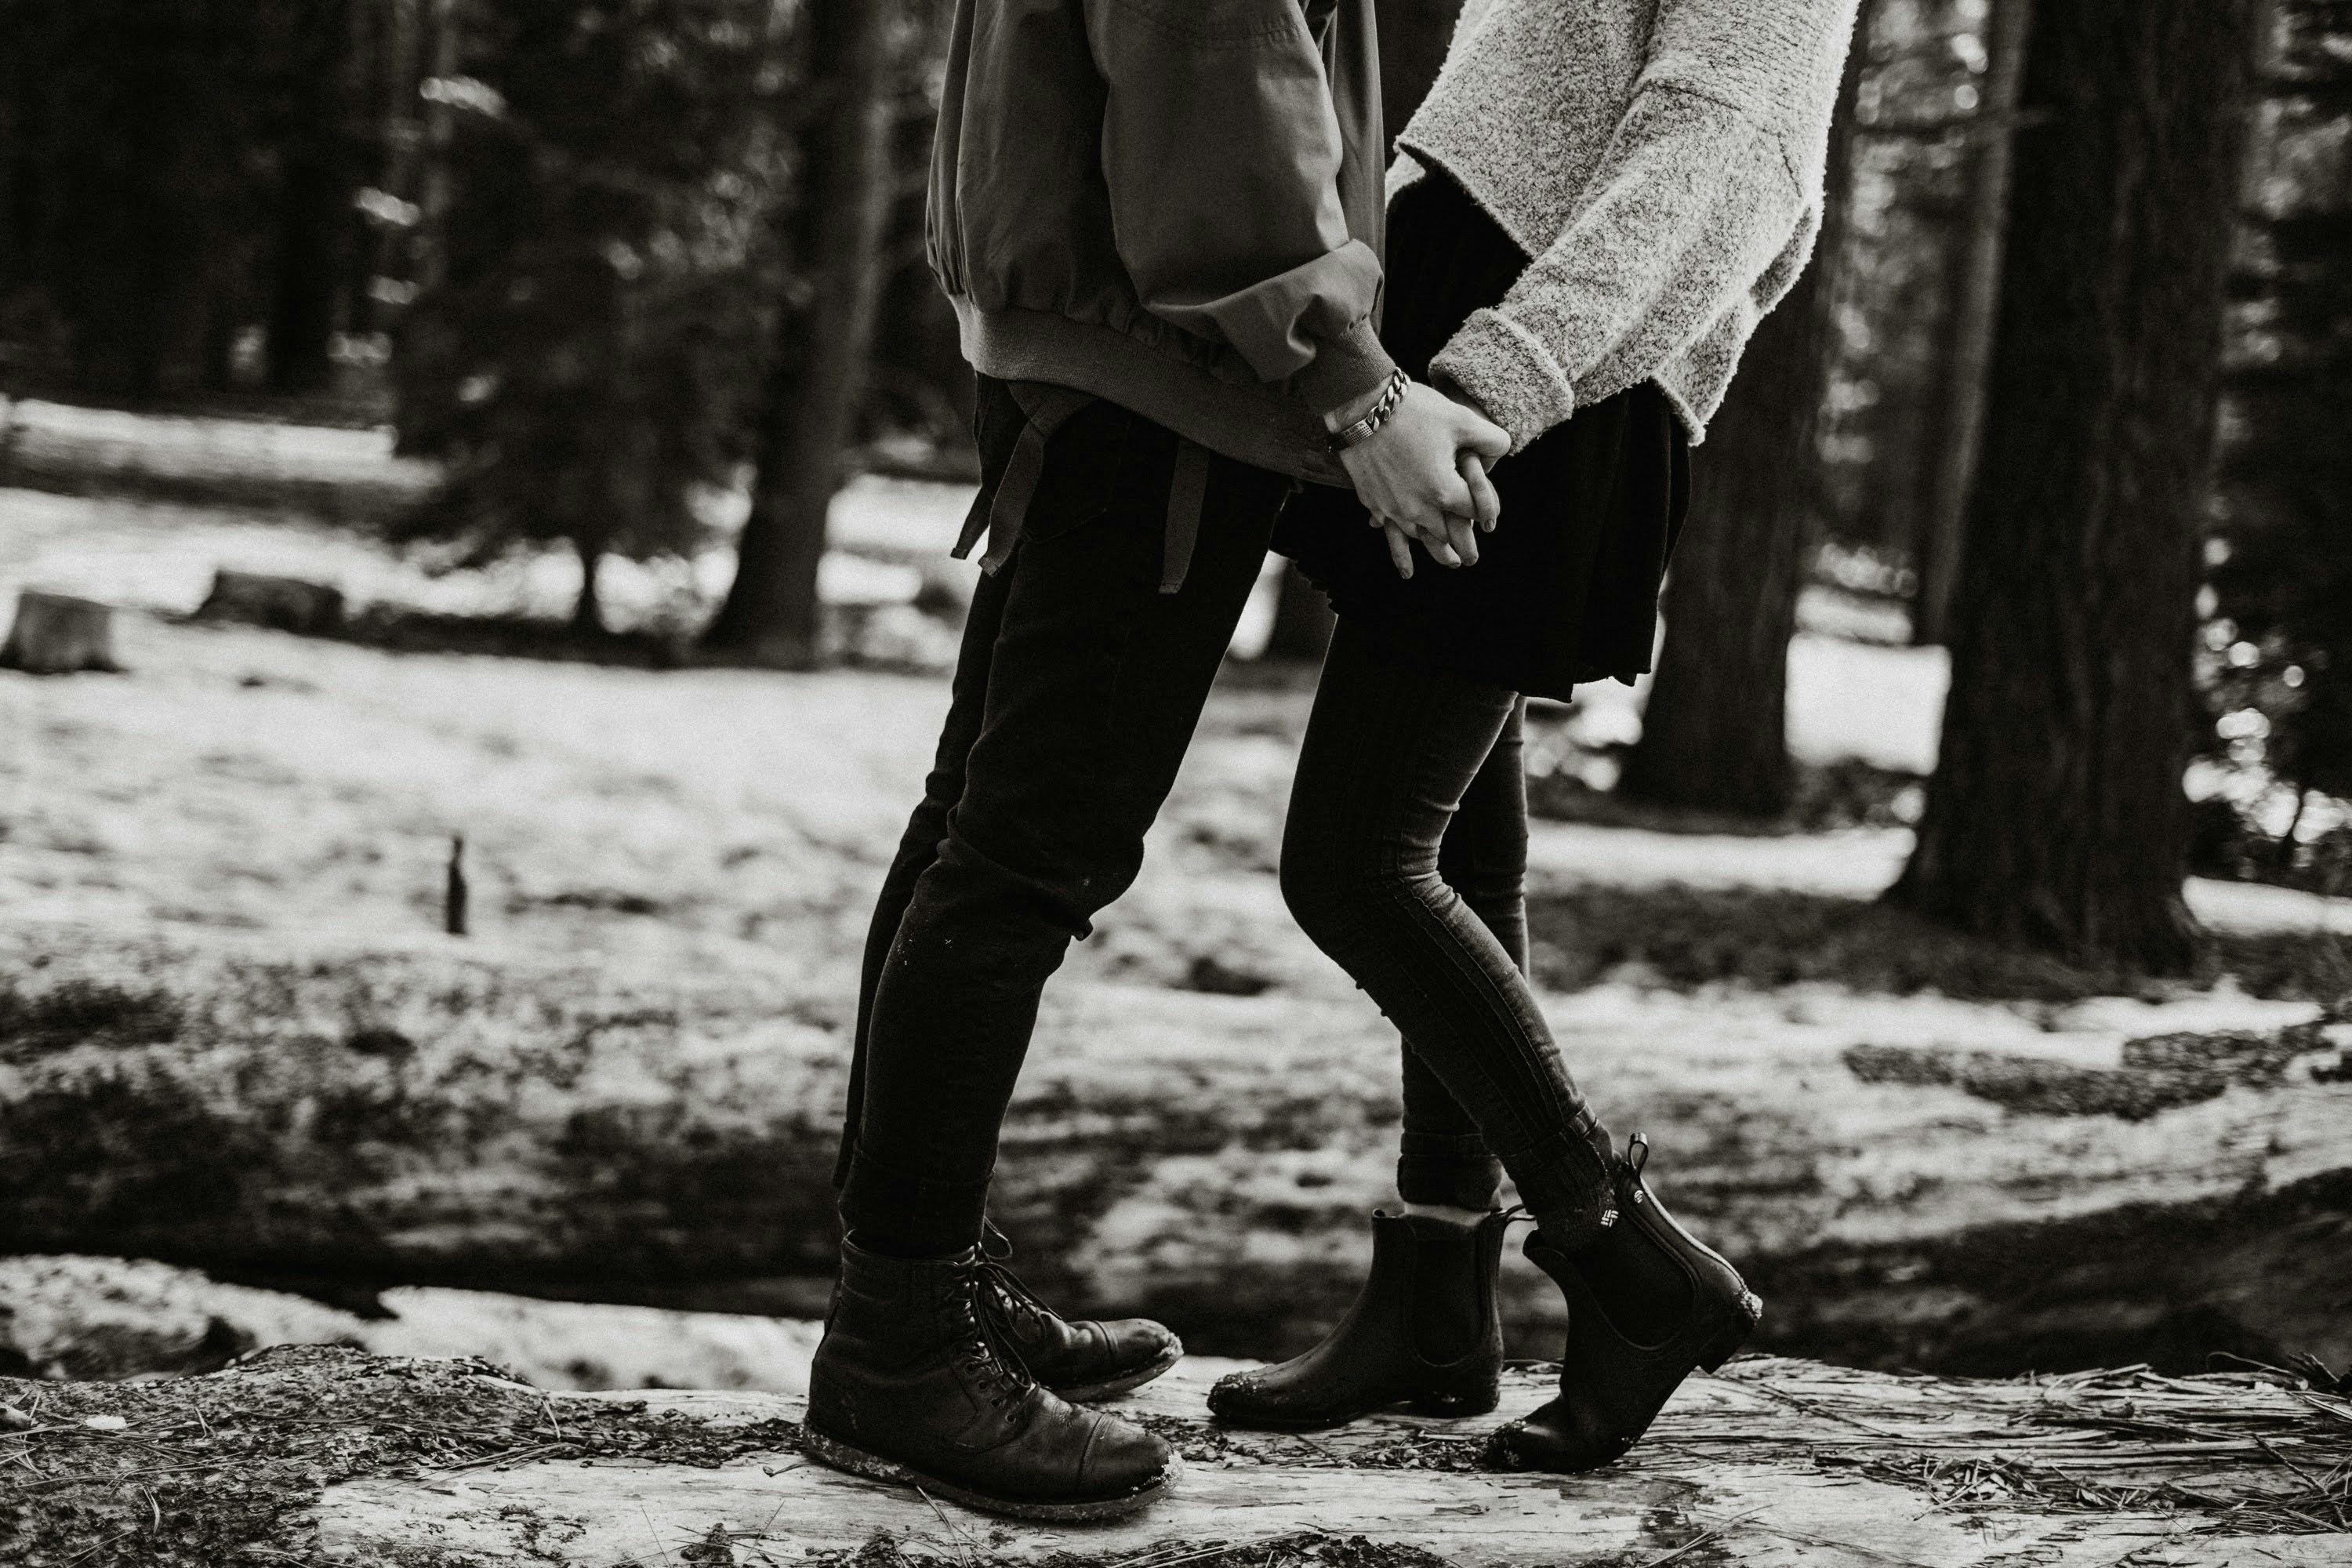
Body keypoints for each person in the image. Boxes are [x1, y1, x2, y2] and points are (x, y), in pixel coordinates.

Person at [803, 0, 1511, 1523]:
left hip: (1096, 330)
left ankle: (920, 1286)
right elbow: (1218, 71)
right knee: (1019, 859)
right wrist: (1352, 383)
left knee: (971, 829)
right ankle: (896, 1341)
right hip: (1163, 364)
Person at [1204, 0, 1861, 1474]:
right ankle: (1438, 1295)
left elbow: (1721, 159)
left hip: (1537, 381)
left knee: (1356, 864)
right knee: (1459, 849)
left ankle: (1629, 1258)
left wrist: (1499, 379)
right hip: (1479, 349)